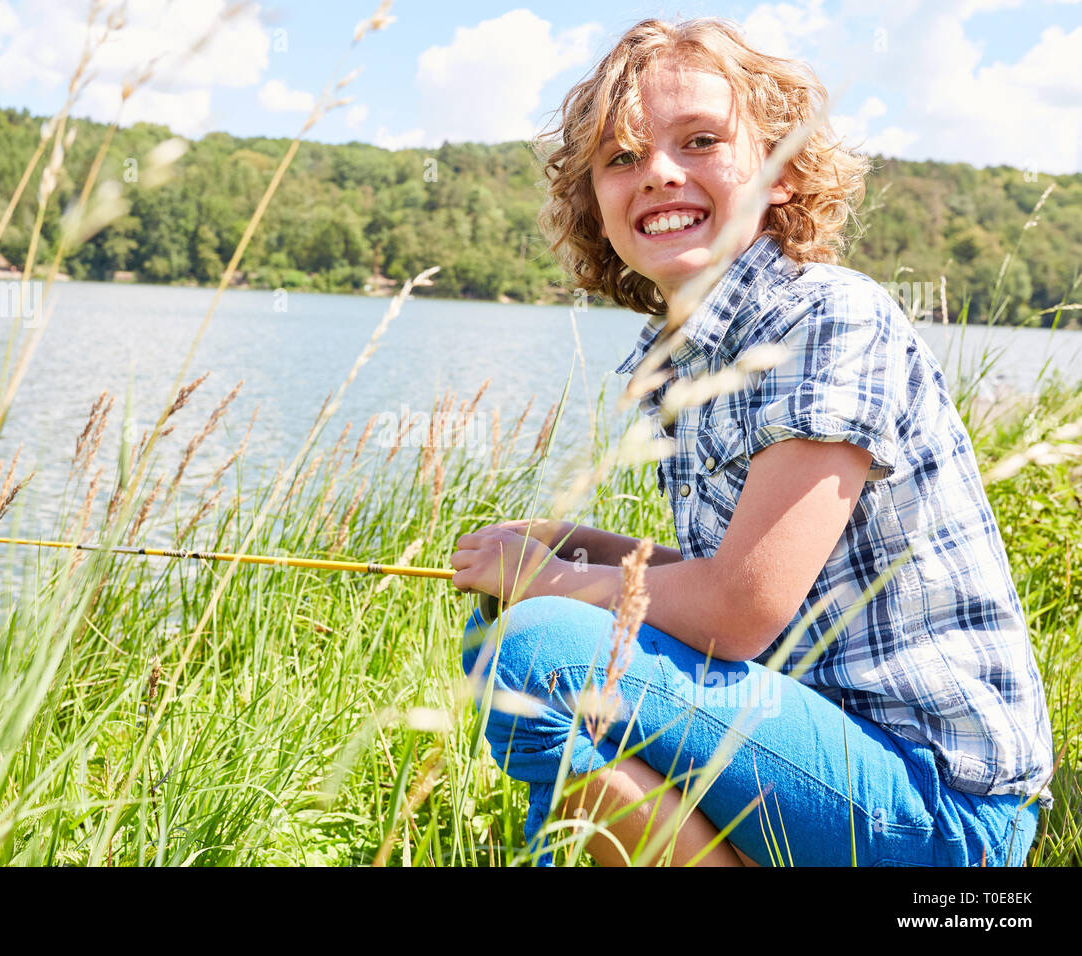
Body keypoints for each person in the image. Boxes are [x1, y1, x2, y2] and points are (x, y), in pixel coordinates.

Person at [449, 17, 1054, 867]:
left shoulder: (827, 317)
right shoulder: (687, 359)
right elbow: (742, 581)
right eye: (620, 158)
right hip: (815, 749)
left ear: (783, 171)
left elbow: (740, 611)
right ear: (595, 202)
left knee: (542, 651)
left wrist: (552, 581)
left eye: (699, 141)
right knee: (506, 640)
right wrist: (583, 549)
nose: (657, 172)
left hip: (936, 805)